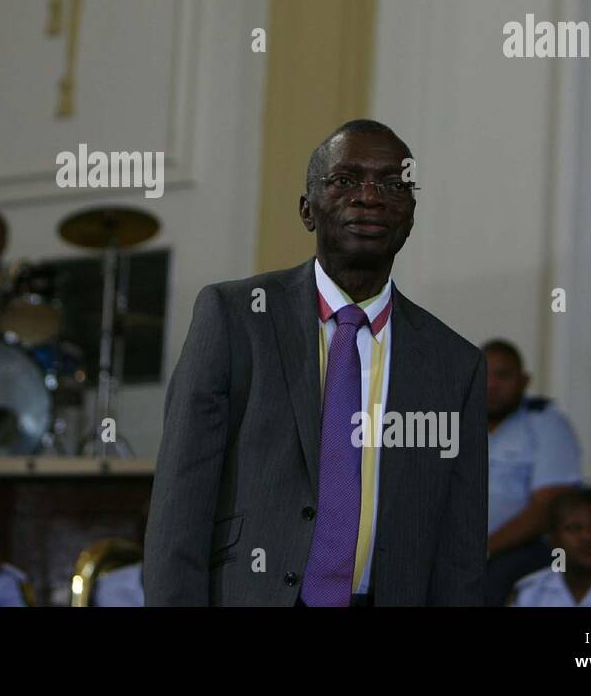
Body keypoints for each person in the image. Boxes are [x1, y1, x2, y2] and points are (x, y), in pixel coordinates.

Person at [145, 119, 486, 606]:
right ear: (307, 209)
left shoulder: (456, 364)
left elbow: (462, 548)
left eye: (392, 184)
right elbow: (180, 505)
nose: (369, 197)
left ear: (409, 216)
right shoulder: (235, 318)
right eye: (345, 180)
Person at [484, 338, 582, 605]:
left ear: (524, 381)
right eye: (484, 375)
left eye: (502, 375)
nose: (492, 385)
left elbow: (549, 508)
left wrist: (484, 549)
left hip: (521, 549)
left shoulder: (546, 424)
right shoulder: (459, 425)